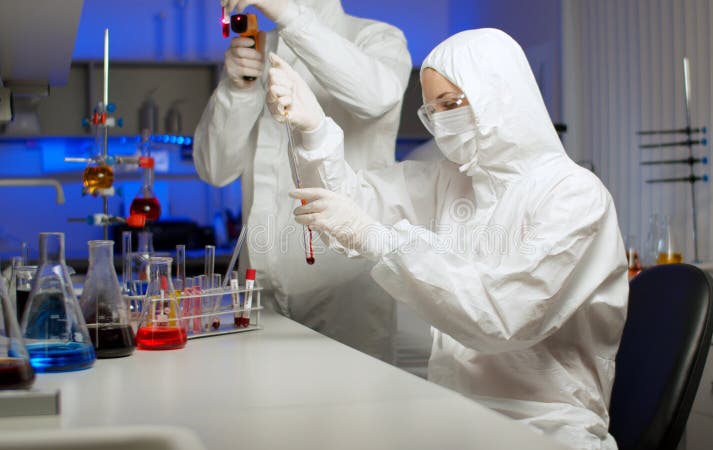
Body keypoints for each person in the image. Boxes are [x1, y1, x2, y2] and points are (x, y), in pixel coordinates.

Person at [267, 29, 629, 449]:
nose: (439, 121)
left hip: (545, 427)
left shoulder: (573, 196)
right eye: (431, 110)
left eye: (451, 104)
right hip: (457, 411)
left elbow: (500, 316)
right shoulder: (454, 181)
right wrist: (314, 129)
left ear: (500, 94)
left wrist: (378, 239)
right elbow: (356, 203)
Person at [193, 0, 412, 362]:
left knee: (351, 416)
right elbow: (214, 169)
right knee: (264, 416)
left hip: (346, 294)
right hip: (260, 291)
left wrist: (286, 14)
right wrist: (238, 89)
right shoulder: (261, 49)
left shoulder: (376, 38)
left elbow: (376, 99)